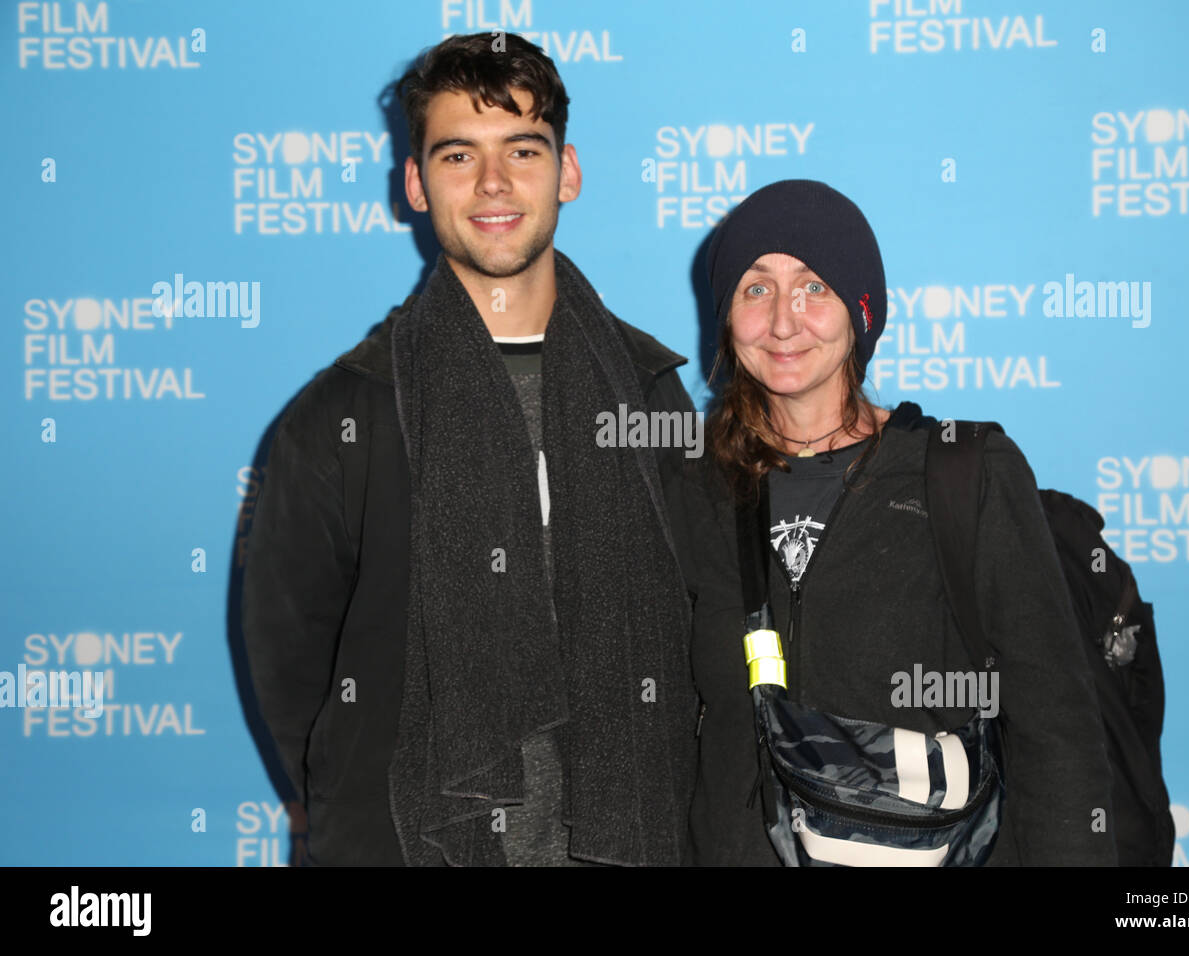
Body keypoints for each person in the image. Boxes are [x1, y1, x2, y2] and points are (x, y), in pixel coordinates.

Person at [241, 32, 698, 867]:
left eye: (523, 149)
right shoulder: (345, 414)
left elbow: (695, 619)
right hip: (411, 844)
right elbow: (289, 662)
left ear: (568, 173)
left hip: (628, 840)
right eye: (459, 155)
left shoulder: (649, 393)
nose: (494, 184)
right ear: (415, 184)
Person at [672, 178, 1118, 865]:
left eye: (814, 287)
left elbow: (1057, 730)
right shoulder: (696, 488)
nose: (784, 320)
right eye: (755, 289)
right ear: (727, 318)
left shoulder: (964, 474)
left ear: (863, 312)